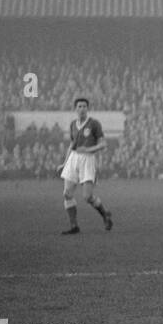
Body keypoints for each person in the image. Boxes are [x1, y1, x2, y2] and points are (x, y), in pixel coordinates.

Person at [60, 97, 113, 234]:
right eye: (79, 106)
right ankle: (74, 226)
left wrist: (87, 150)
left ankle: (105, 214)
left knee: (87, 196)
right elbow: (72, 145)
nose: (82, 109)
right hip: (73, 159)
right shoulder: (72, 124)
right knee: (67, 194)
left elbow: (103, 144)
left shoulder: (94, 124)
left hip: (88, 160)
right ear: (75, 109)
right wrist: (64, 163)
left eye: (84, 106)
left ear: (87, 109)